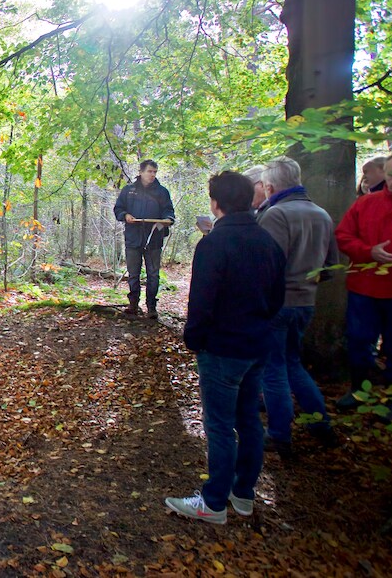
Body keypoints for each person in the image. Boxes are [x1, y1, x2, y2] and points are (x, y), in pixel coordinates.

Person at [166, 171, 286, 524]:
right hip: (256, 344)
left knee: (219, 425)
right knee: (247, 419)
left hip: (223, 347)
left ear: (215, 203)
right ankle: (243, 492)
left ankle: (214, 501)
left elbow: (201, 300)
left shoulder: (214, 243)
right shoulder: (267, 241)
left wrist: (194, 338)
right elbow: (277, 298)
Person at [255, 157, 340, 455]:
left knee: (273, 368)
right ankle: (320, 424)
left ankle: (279, 433)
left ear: (269, 187)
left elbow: (267, 265)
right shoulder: (321, 214)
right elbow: (330, 266)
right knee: (292, 363)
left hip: (278, 304)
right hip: (305, 303)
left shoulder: (276, 214)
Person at [335, 151, 392, 410]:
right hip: (365, 288)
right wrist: (369, 252)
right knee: (358, 341)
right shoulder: (366, 203)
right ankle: (359, 391)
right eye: (391, 174)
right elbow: (343, 236)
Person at [113, 159, 175, 318]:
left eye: (155, 172)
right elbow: (118, 209)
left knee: (153, 274)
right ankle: (133, 304)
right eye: (149, 171)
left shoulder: (162, 192)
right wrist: (125, 215)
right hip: (133, 238)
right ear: (141, 172)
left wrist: (168, 219)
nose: (152, 175)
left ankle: (151, 307)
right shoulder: (129, 190)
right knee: (133, 274)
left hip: (154, 239)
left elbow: (169, 211)